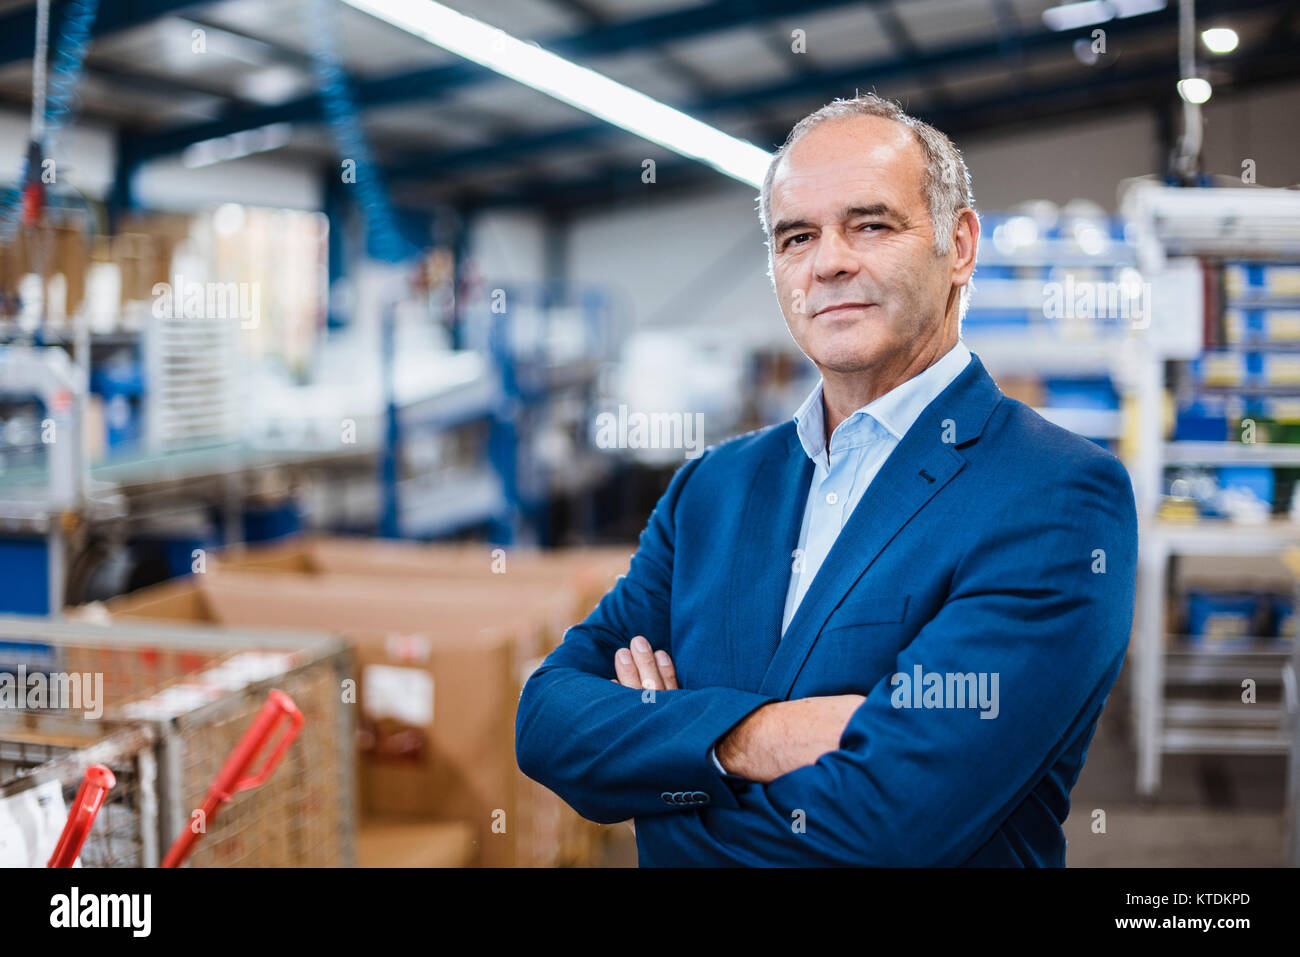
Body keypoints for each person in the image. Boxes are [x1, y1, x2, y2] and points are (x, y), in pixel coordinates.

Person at [515, 93, 1138, 866]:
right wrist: (755, 739)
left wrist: (666, 766)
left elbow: (886, 826)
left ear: (961, 244)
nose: (828, 260)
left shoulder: (1058, 496)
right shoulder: (710, 490)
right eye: (796, 235)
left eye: (870, 224)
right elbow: (545, 719)